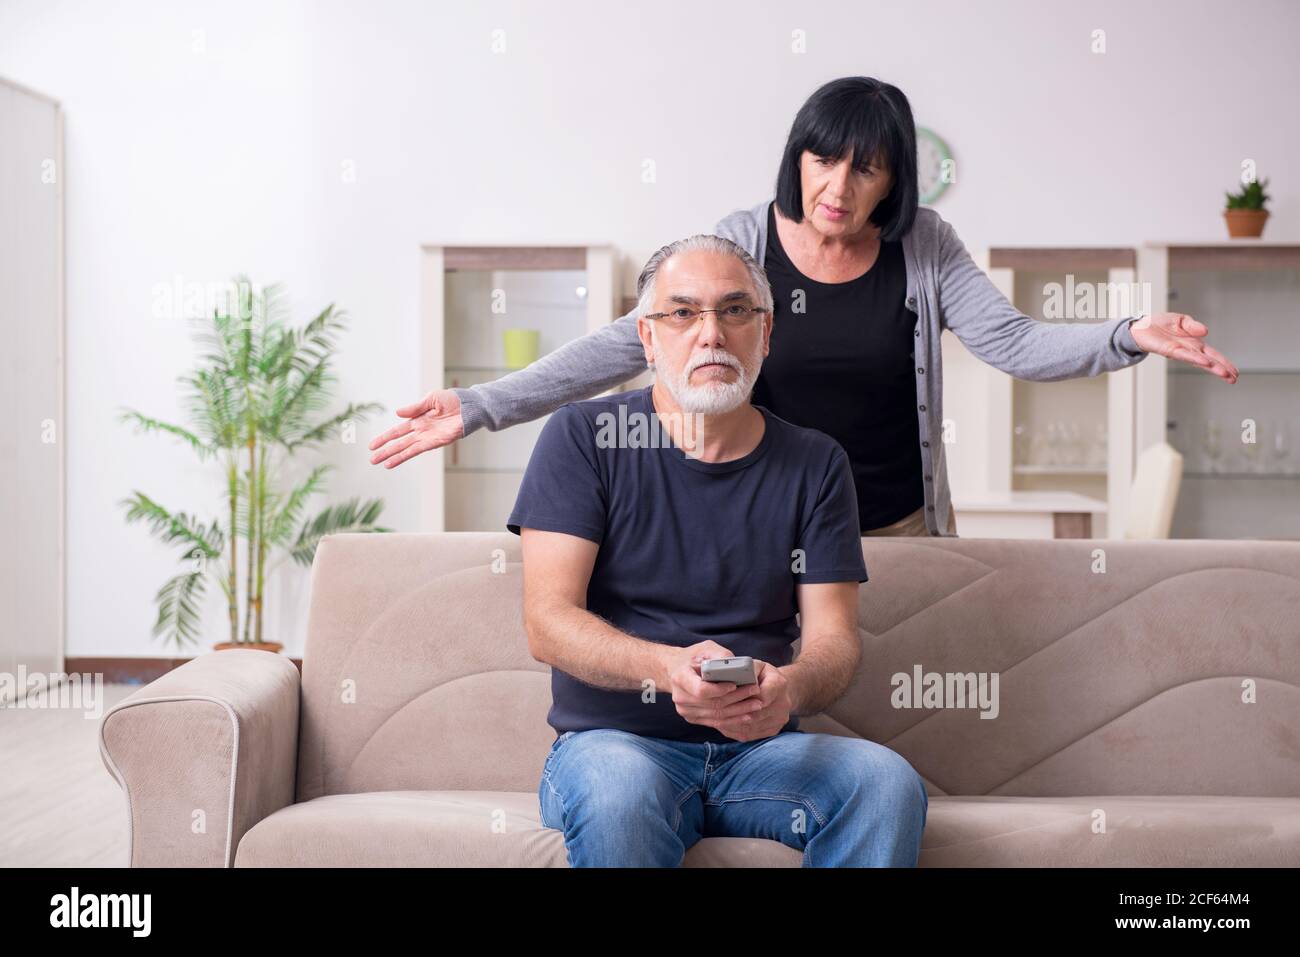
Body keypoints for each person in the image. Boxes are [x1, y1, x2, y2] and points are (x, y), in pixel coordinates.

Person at [370, 75, 1239, 538]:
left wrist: (1130, 331)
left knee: (898, 722)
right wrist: (482, 403)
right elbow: (631, 341)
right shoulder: (741, 241)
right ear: (798, 156)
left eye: (866, 168)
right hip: (766, 525)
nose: (837, 186)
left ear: (894, 181)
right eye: (824, 159)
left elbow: (1013, 342)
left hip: (896, 528)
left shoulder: (923, 245)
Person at [509, 234, 927, 867]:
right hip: (613, 746)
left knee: (885, 782)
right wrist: (667, 669)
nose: (712, 334)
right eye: (683, 312)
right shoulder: (583, 437)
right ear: (648, 337)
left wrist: (788, 688)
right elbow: (547, 622)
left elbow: (835, 643)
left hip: (761, 755)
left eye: (735, 310)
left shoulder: (816, 463)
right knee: (620, 796)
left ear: (766, 333)